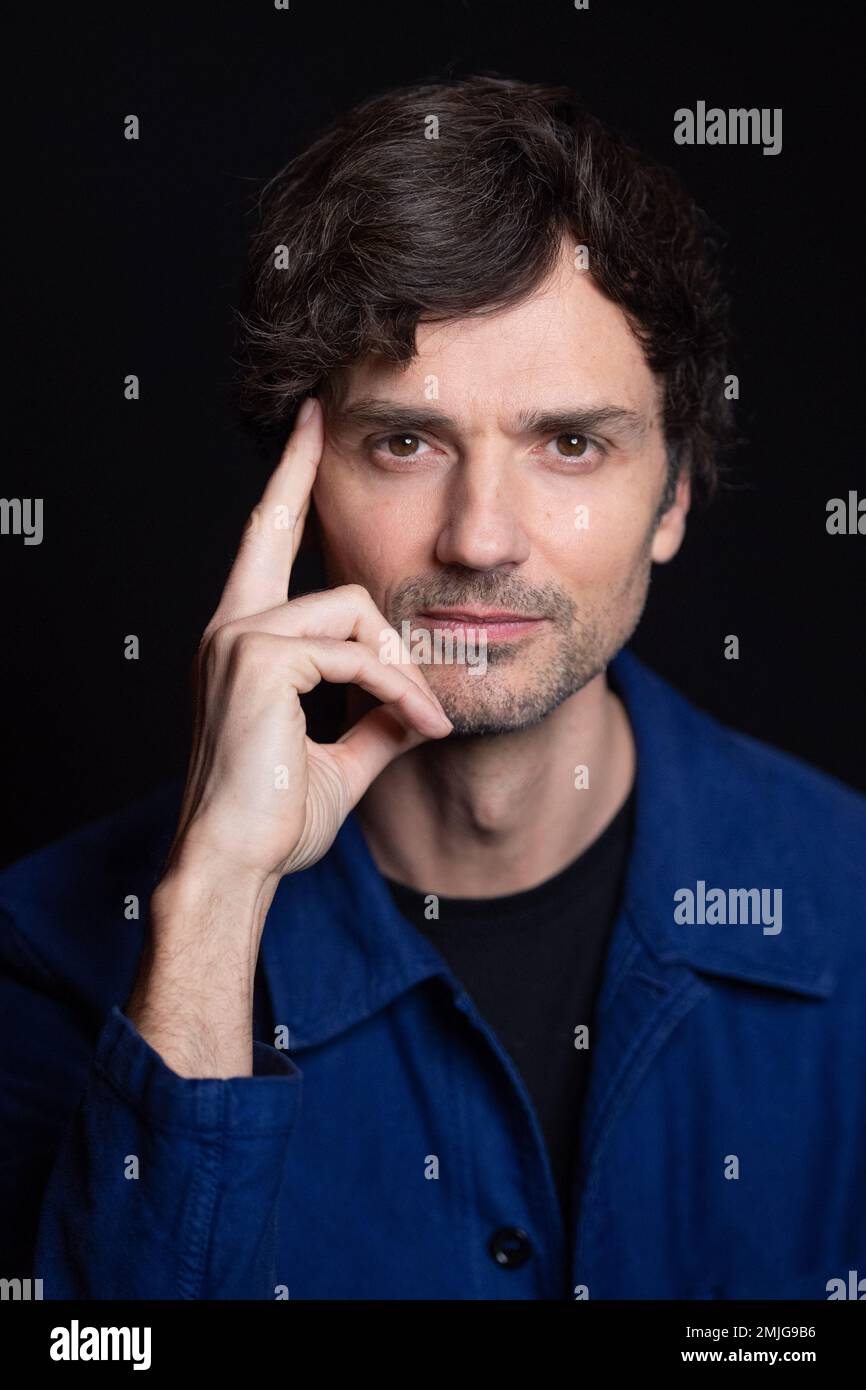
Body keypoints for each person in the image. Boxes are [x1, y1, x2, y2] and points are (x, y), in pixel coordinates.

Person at [1, 76, 864, 1301]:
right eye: (403, 442)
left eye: (569, 443)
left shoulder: (850, 915)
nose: (478, 538)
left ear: (671, 497)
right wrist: (206, 914)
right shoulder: (50, 950)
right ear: (294, 490)